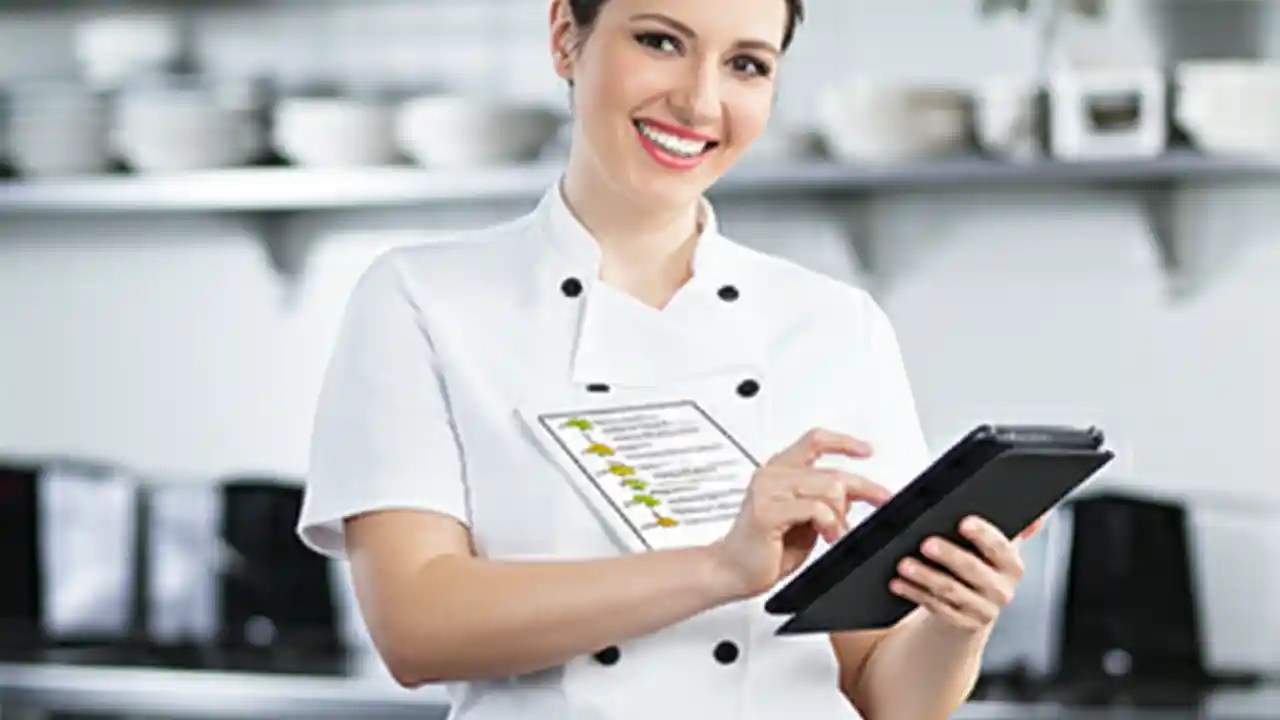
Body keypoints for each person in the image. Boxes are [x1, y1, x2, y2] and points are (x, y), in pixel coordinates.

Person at [297, 0, 1045, 717]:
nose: (699, 102)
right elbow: (417, 627)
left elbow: (883, 696)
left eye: (747, 64)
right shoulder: (424, 300)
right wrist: (719, 569)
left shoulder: (836, 325)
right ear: (565, 36)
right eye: (660, 41)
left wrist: (959, 621)